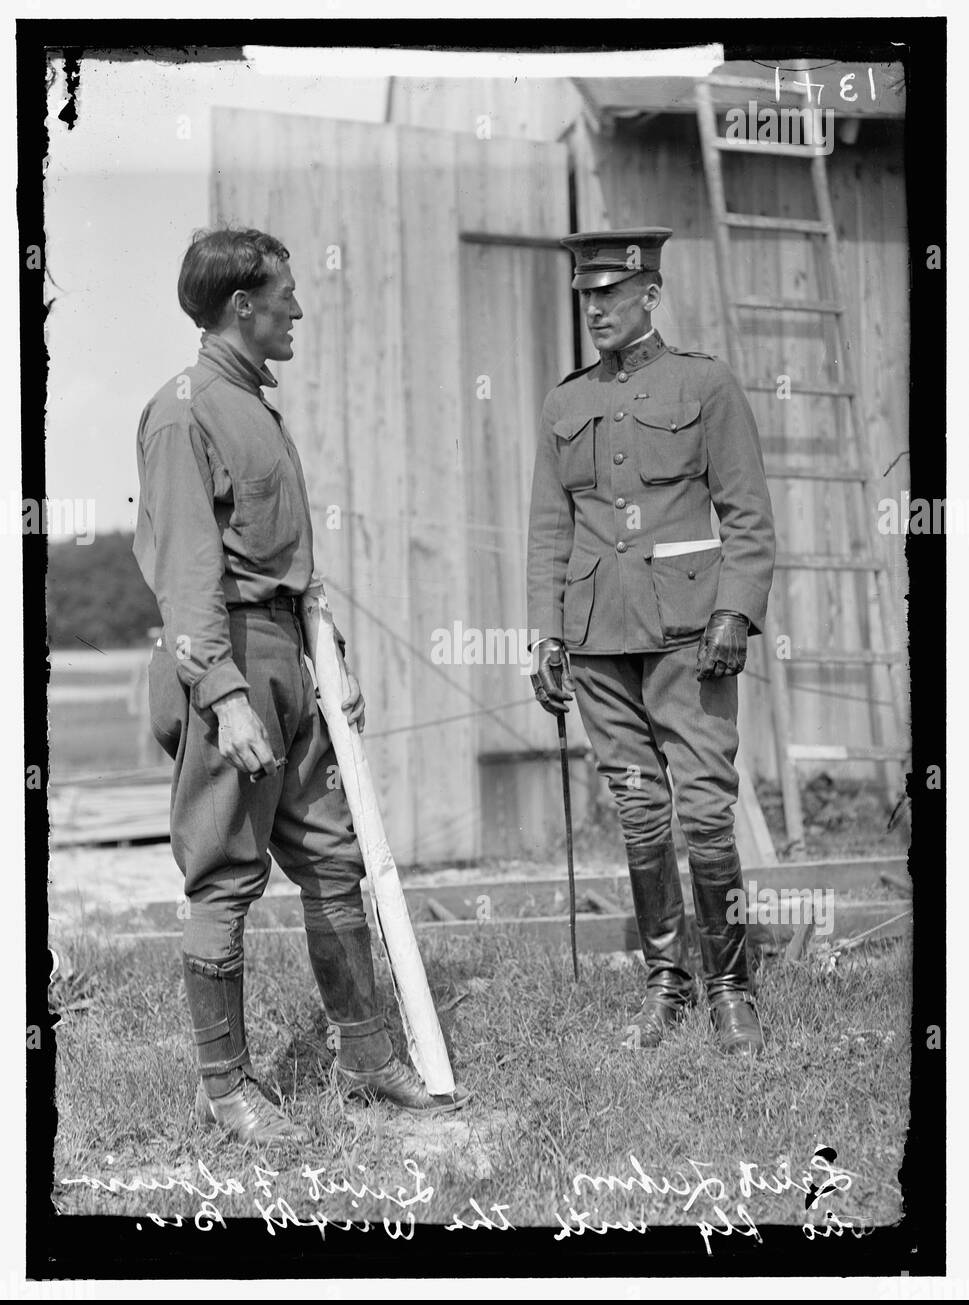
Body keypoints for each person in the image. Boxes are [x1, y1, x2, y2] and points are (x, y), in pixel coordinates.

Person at [133, 227, 467, 1143]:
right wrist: (226, 694)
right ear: (242, 305)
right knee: (225, 875)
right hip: (228, 665)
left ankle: (365, 1056)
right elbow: (187, 571)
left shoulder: (254, 407)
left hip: (287, 657)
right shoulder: (185, 410)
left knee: (332, 858)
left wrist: (332, 656)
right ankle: (225, 1088)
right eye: (286, 295)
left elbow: (288, 561)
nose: (299, 311)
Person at [527, 227, 775, 1055]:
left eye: (609, 295)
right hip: (598, 638)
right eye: (585, 297)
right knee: (638, 806)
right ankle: (666, 982)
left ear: (648, 296)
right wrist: (547, 634)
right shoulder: (564, 402)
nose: (594, 309)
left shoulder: (704, 385)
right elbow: (547, 530)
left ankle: (730, 986)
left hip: (688, 636)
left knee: (704, 808)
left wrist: (734, 612)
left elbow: (745, 516)